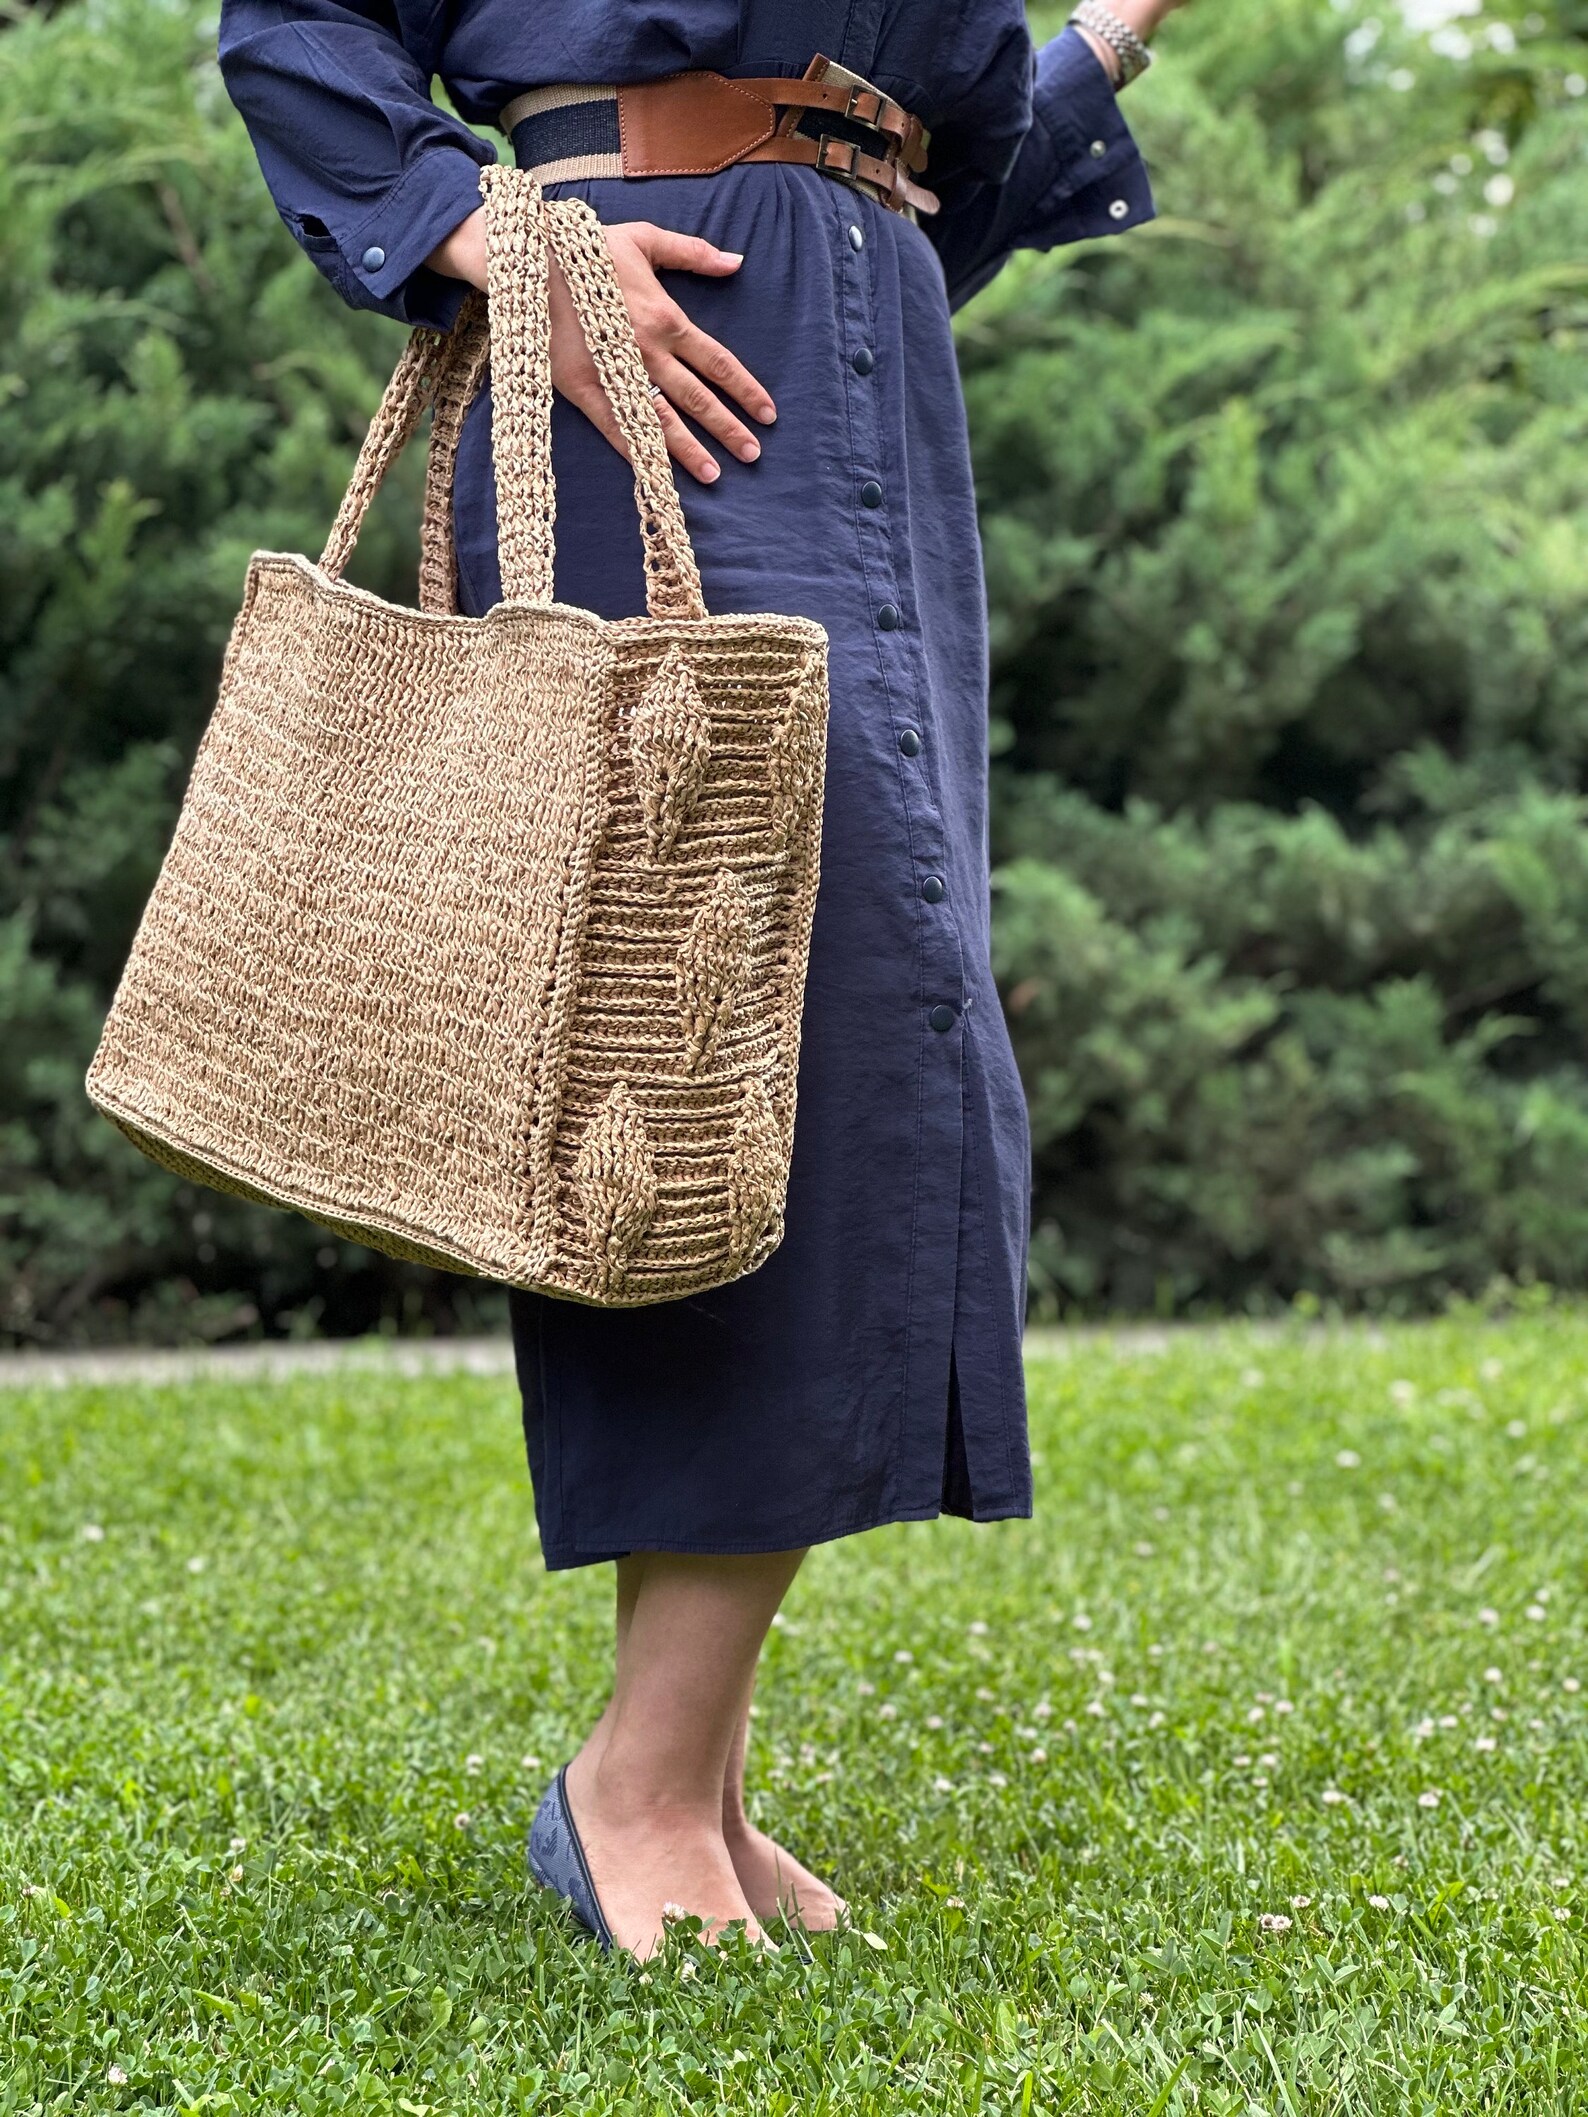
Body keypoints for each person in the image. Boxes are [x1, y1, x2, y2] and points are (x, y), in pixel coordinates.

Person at [217, 0, 1178, 1958]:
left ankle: (692, 1776)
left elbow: (919, 167)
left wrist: (1094, 40)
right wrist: (462, 227)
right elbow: (291, 17)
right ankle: (637, 1782)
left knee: (862, 1065)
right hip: (633, 346)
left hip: (857, 369)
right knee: (695, 1047)